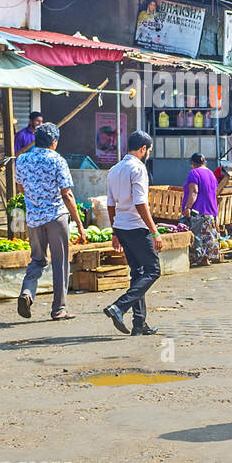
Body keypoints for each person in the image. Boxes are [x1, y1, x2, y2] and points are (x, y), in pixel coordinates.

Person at [14, 123, 85, 321]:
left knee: (37, 259)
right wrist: (79, 224)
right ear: (54, 142)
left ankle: (27, 293)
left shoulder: (22, 159)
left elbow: (21, 188)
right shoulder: (57, 160)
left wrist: (35, 200)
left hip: (34, 219)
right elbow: (67, 194)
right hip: (55, 217)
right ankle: (58, 309)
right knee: (60, 263)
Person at [104, 130, 163, 336]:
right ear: (143, 149)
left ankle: (139, 323)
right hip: (137, 228)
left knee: (137, 273)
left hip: (122, 226)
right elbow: (140, 203)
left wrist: (114, 231)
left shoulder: (114, 169)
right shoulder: (138, 168)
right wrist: (154, 231)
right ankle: (120, 306)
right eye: (148, 151)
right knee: (153, 270)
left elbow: (110, 204)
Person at [182, 153, 221, 266]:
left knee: (197, 236)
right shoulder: (211, 174)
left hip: (199, 211)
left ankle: (196, 258)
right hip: (211, 210)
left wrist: (188, 207)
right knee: (209, 236)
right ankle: (205, 259)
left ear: (193, 163)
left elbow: (194, 191)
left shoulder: (194, 173)